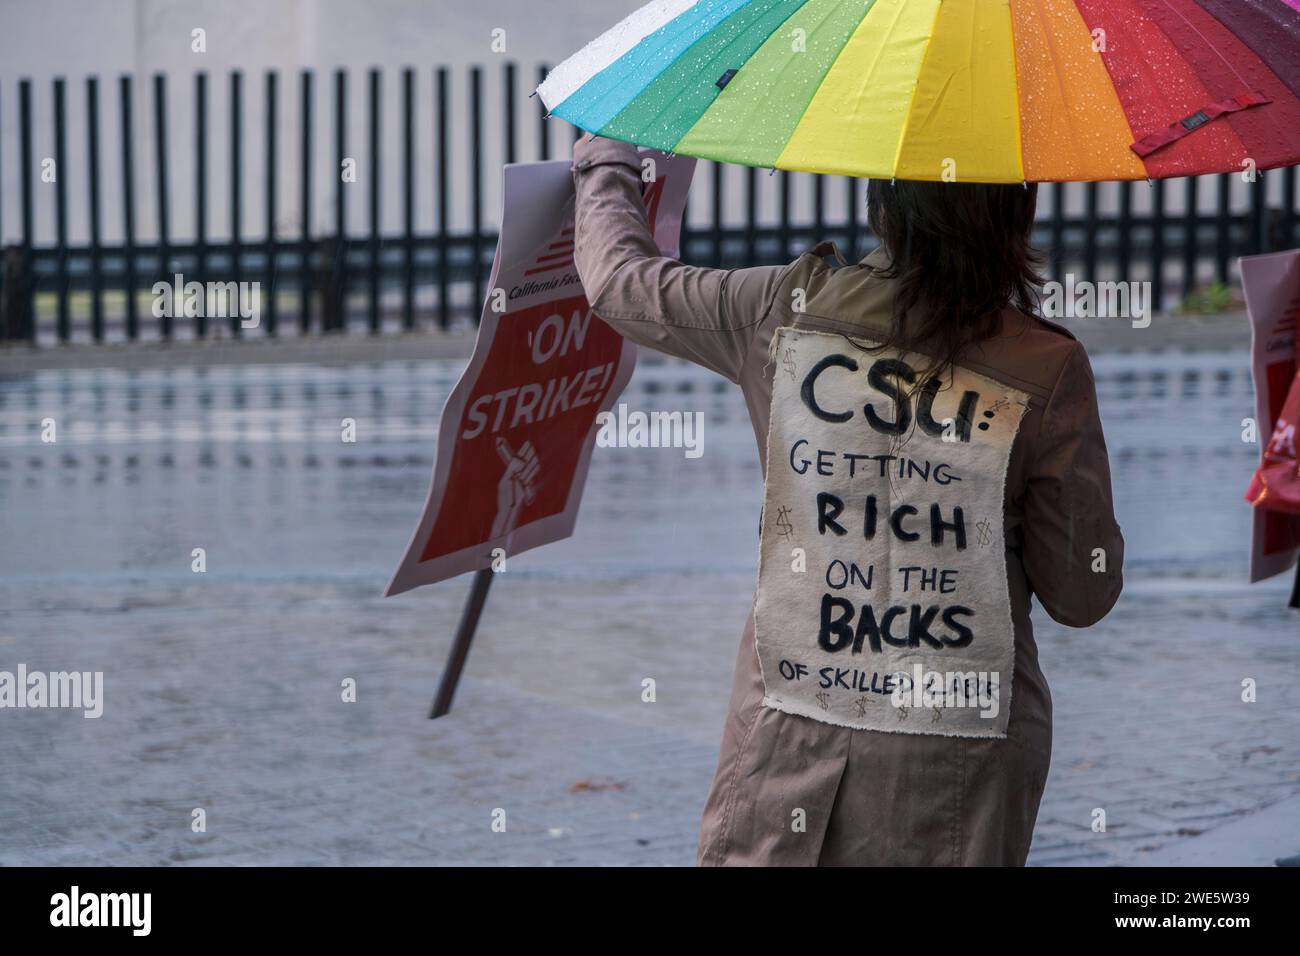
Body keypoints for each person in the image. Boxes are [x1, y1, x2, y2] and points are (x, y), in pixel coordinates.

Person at [569, 133, 1124, 866]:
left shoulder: (781, 309)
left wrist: (605, 161)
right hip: (956, 758)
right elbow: (1081, 593)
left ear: (882, 206)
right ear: (1016, 211)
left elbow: (620, 282)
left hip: (792, 730)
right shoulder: (1046, 367)